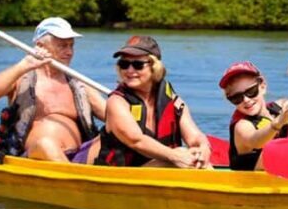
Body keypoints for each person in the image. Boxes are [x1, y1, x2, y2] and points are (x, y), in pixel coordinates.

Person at [0, 17, 106, 163]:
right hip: (36, 155)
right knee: (47, 145)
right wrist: (23, 65)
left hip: (77, 156)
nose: (69, 52)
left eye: (71, 46)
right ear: (40, 45)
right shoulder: (21, 78)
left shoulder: (81, 85)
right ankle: (74, 180)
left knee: (118, 138)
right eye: (62, 46)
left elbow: (114, 118)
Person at [90, 35, 212, 168]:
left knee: (198, 159)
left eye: (138, 65)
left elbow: (194, 137)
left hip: (157, 172)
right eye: (124, 64)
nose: (130, 71)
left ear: (155, 67)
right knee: (180, 154)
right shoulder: (117, 102)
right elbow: (136, 140)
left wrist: (203, 147)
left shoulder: (173, 101)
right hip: (123, 176)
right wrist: (176, 156)